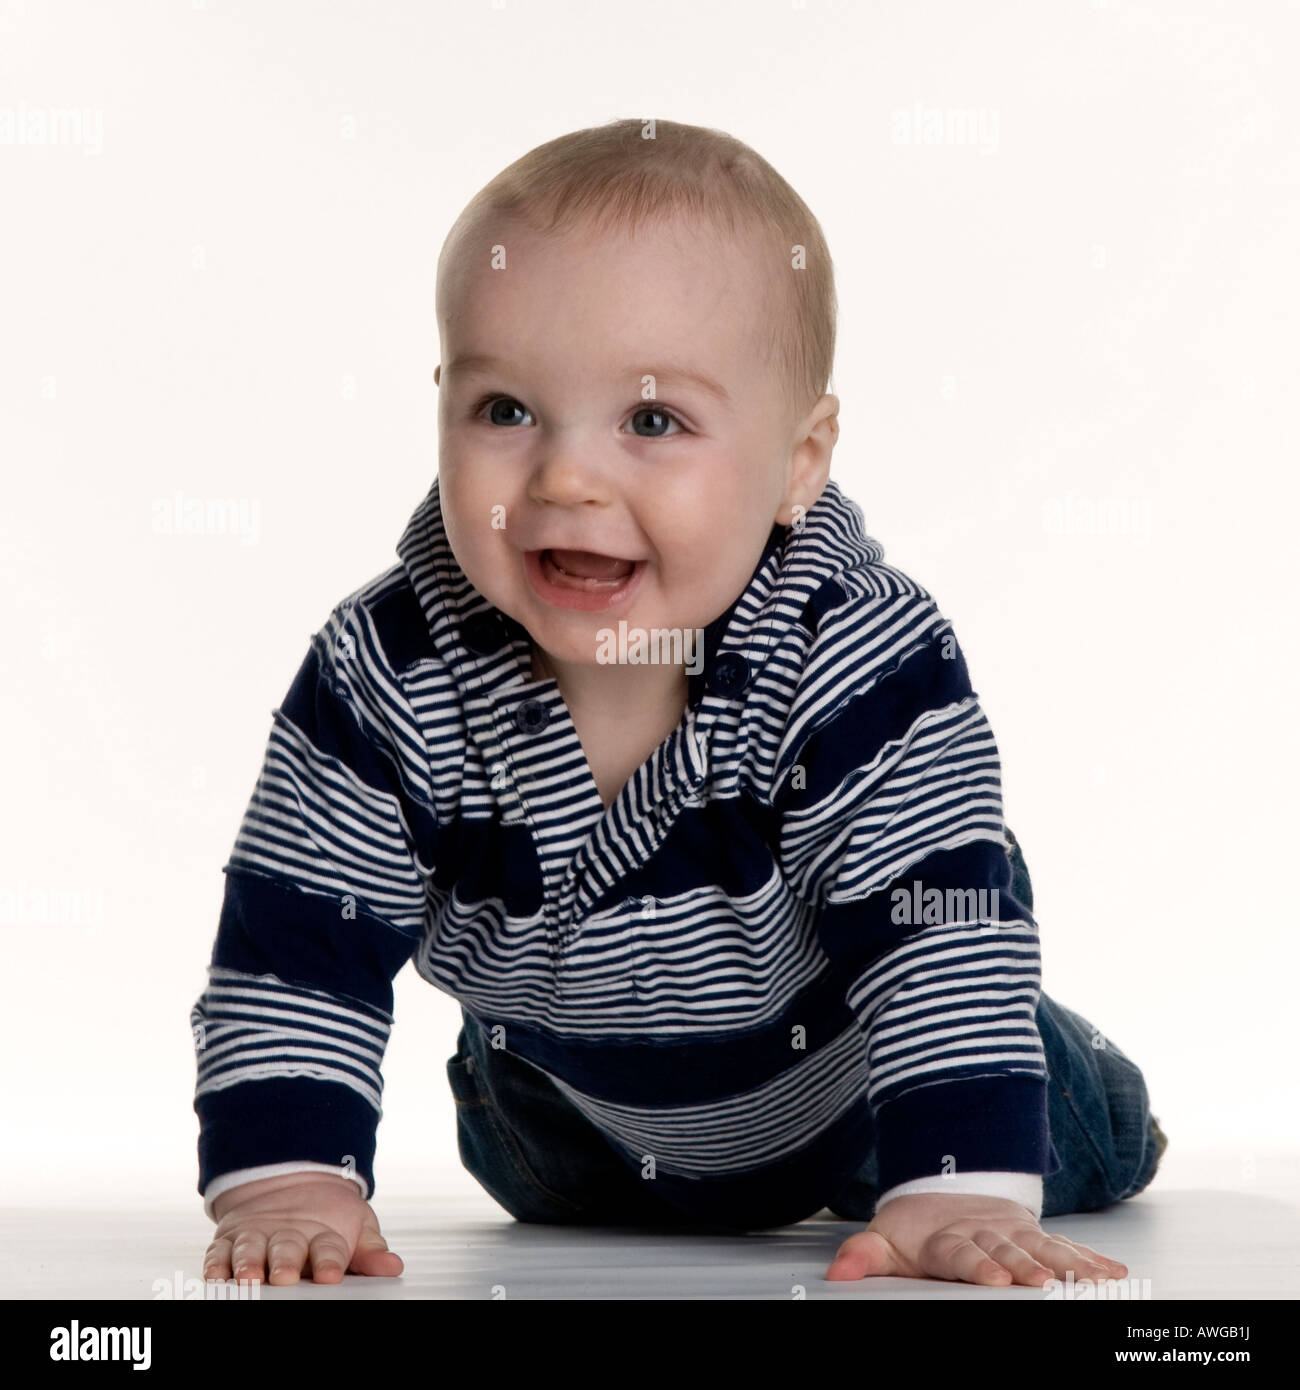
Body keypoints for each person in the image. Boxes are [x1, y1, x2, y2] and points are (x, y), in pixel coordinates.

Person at [193, 117, 1165, 1289]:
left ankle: (1031, 1114)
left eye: (652, 421)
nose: (565, 476)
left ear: (797, 461)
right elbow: (299, 942)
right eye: (505, 410)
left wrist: (957, 1186)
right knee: (557, 1186)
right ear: (441, 398)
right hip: (563, 1122)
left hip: (867, 1086)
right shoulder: (385, 670)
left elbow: (937, 930)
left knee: (1033, 1098)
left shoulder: (852, 651)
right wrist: (291, 1176)